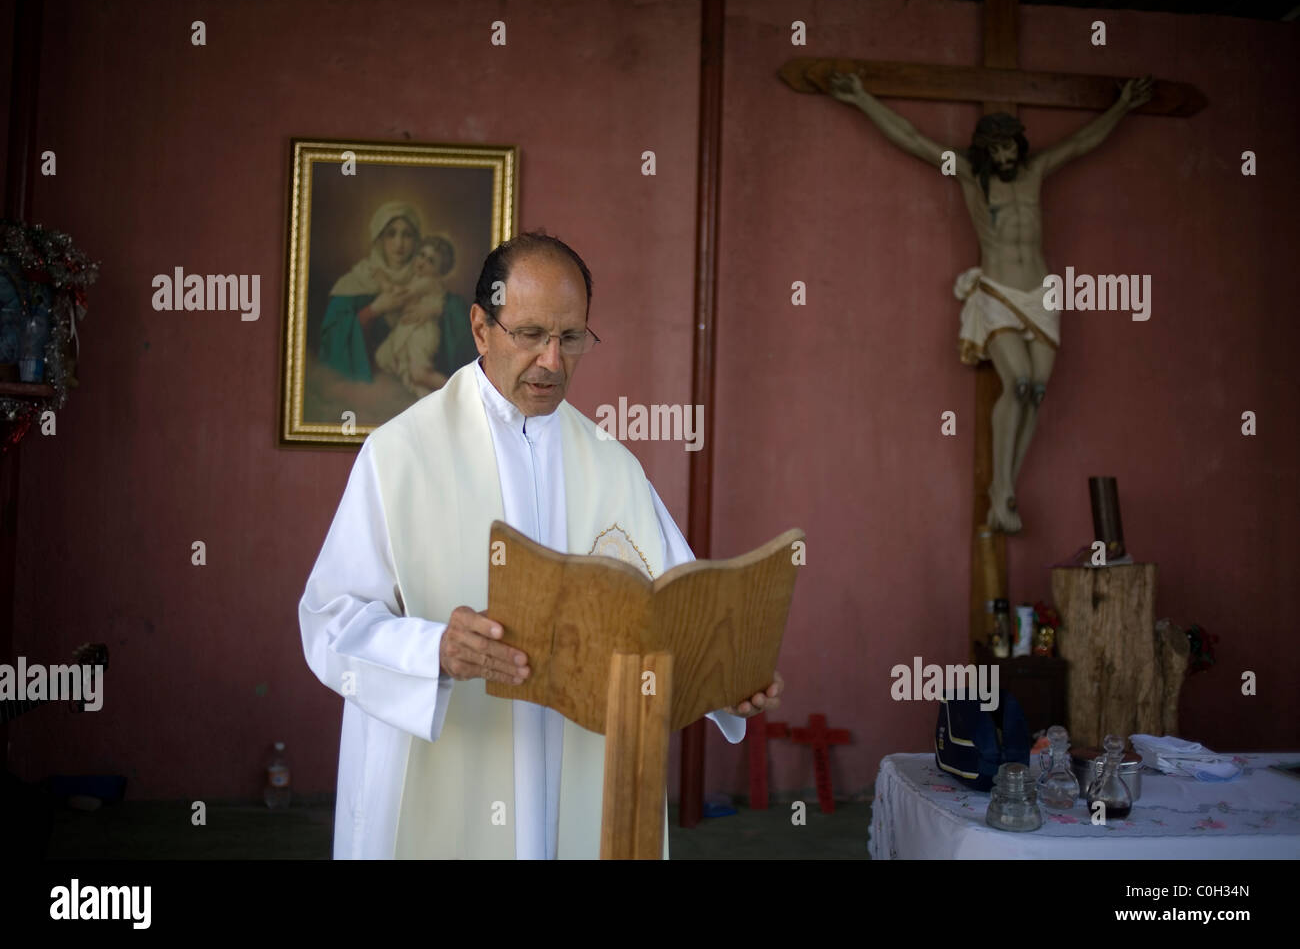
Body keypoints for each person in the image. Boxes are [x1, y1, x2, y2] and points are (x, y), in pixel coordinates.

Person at [299, 231, 783, 859]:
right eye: (529, 335)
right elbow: (329, 622)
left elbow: (681, 612)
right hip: (447, 774)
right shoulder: (400, 456)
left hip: (582, 780)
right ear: (480, 327)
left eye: (571, 338)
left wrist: (730, 676)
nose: (553, 362)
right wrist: (434, 650)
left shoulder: (613, 467)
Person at [828, 73, 1153, 532]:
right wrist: (861, 97)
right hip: (998, 291)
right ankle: (999, 491)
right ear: (985, 151)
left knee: (1037, 393)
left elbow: (1083, 142)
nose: (1004, 156)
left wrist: (1123, 106)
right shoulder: (968, 175)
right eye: (996, 150)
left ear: (1019, 147)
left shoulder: (1036, 170)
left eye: (1010, 148)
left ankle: (1009, 492)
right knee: (1018, 381)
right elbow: (912, 138)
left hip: (1040, 293)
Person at [319, 202, 475, 386]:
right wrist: (373, 310)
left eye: (407, 235)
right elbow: (332, 338)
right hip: (370, 387)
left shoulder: (424, 275)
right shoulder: (359, 279)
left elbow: (458, 318)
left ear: (416, 240)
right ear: (379, 239)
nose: (399, 243)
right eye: (391, 234)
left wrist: (437, 310)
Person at [373, 234, 457, 396]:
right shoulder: (418, 278)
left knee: (420, 374)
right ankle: (431, 401)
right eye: (422, 255)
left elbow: (402, 295)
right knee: (409, 375)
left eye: (431, 261)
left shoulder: (428, 282)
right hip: (410, 330)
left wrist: (383, 281)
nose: (423, 262)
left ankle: (457, 391)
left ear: (439, 271)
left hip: (422, 333)